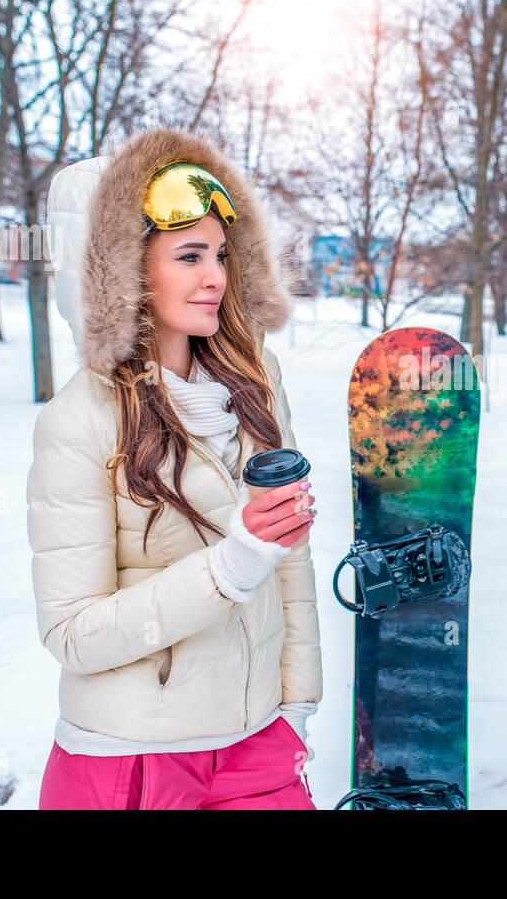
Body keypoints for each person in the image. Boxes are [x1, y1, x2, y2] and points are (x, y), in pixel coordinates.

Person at [28, 127, 322, 809]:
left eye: (221, 253)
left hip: (259, 745)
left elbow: (291, 566)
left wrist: (297, 701)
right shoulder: (80, 420)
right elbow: (71, 631)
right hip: (134, 761)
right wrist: (227, 566)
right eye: (189, 255)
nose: (216, 275)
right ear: (126, 269)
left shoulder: (256, 379)